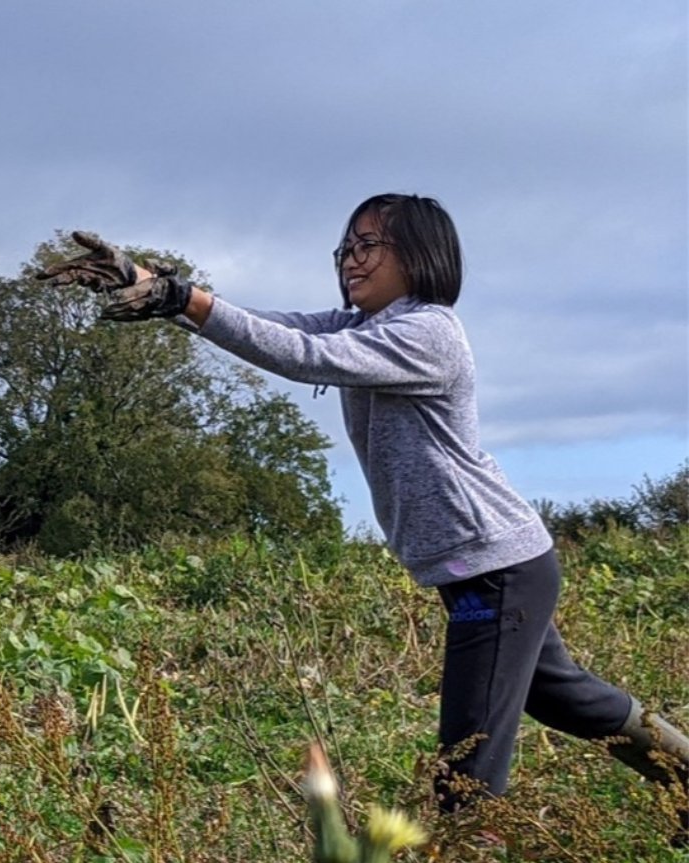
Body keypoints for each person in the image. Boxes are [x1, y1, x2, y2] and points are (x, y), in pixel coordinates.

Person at [39, 194, 689, 828]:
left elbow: (302, 357)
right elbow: (281, 328)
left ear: (421, 254)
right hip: (486, 568)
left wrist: (183, 299)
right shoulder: (366, 327)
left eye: (367, 245)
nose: (350, 259)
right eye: (344, 248)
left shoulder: (427, 332)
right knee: (560, 695)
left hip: (495, 570)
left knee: (469, 750)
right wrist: (150, 284)